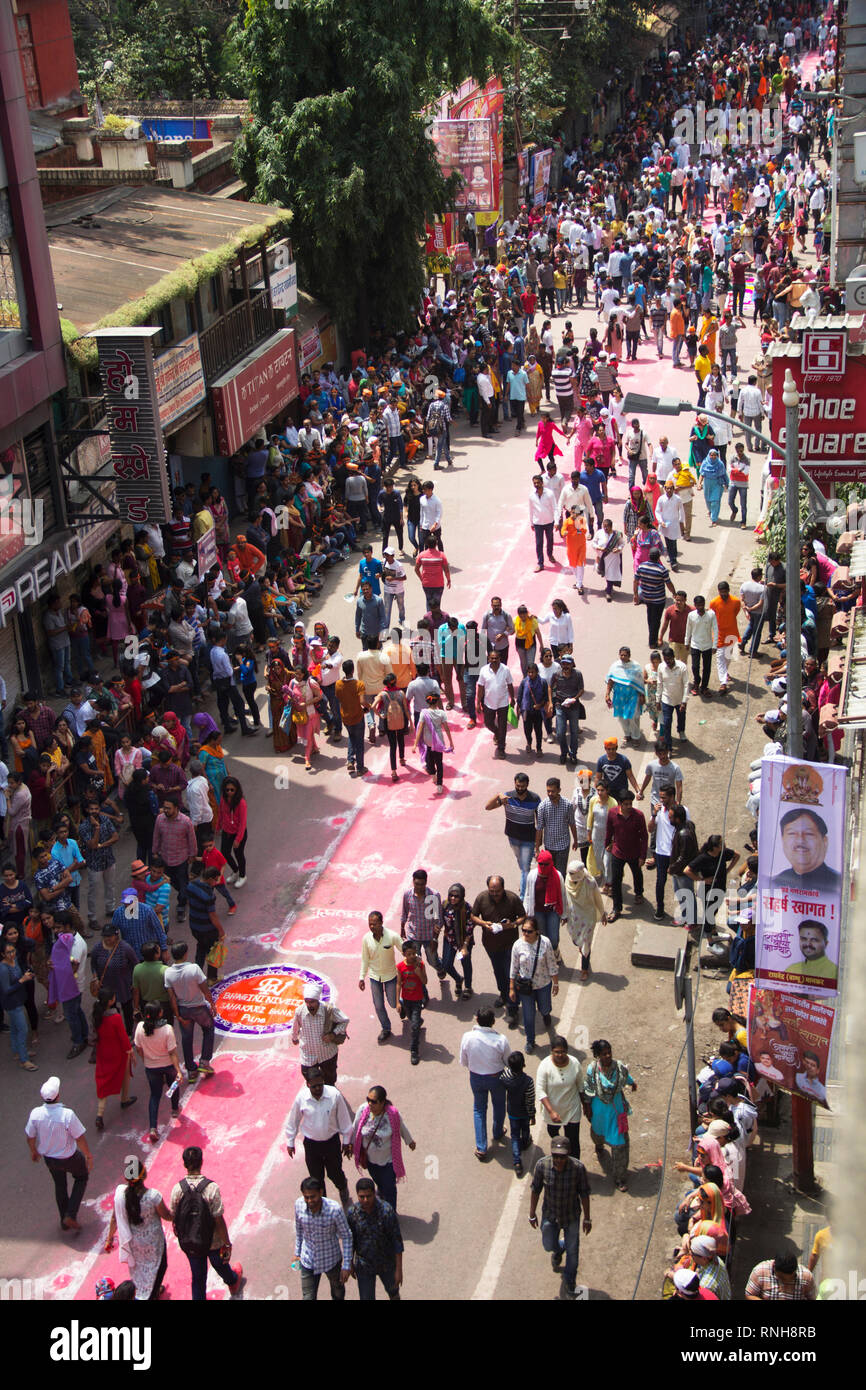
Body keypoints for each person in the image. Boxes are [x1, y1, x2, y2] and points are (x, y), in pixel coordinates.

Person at [170, 1145, 244, 1300]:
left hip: (191, 1242)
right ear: (201, 1162)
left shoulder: (177, 1189)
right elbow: (218, 1219)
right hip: (213, 1240)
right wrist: (227, 1243)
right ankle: (232, 1280)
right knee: (220, 1263)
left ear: (184, 1164)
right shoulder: (211, 1188)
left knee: (198, 1278)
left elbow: (174, 1215)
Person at [24, 1075, 93, 1232]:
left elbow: (30, 1136)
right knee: (81, 1178)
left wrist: (33, 1151)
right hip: (69, 1157)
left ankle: (64, 1220)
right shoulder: (67, 1114)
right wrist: (88, 1155)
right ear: (58, 1096)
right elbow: (80, 1138)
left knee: (60, 1185)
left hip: (50, 1159)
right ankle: (70, 1214)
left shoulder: (36, 1114)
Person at [529, 1136, 592, 1300]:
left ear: (568, 1154)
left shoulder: (578, 1169)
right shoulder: (542, 1166)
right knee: (548, 1244)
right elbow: (535, 1190)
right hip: (551, 1214)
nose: (558, 1160)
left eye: (562, 1156)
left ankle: (570, 1280)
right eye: (555, 1156)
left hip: (571, 1215)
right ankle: (558, 1249)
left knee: (573, 1251)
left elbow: (584, 1193)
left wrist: (587, 1218)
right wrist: (532, 1214)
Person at [104, 1155, 170, 1300]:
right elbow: (167, 1215)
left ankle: (147, 1291)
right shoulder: (153, 1196)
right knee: (159, 1267)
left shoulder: (121, 1194)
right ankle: (152, 1294)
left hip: (135, 1244)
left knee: (140, 1270)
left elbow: (115, 1218)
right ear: (144, 1174)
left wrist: (109, 1240)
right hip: (154, 1244)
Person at [285, 1068, 354, 1204]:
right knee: (316, 1178)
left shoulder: (334, 1095)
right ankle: (324, 1205)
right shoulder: (301, 1098)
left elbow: (344, 1119)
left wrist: (346, 1140)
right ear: (308, 1085)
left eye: (320, 1085)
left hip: (331, 1143)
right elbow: (294, 1120)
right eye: (314, 1086)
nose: (318, 1089)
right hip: (312, 1145)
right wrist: (290, 1141)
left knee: (335, 1173)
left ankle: (342, 1186)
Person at [350, 1085, 415, 1212]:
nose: (369, 1104)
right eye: (368, 1099)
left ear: (382, 1102)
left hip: (388, 1162)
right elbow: (355, 1127)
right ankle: (382, 1192)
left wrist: (410, 1141)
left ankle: (390, 1214)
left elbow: (401, 1127)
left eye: (373, 1101)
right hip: (370, 1161)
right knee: (379, 1183)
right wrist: (350, 1144)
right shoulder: (363, 1110)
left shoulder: (393, 1114)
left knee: (389, 1190)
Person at [459, 1006, 511, 1160]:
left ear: (476, 1020)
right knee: (499, 1104)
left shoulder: (467, 1037)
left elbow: (463, 1060)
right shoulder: (501, 1040)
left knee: (479, 1109)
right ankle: (497, 1132)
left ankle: (481, 1147)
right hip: (496, 1077)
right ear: (493, 1022)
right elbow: (508, 1061)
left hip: (476, 1077)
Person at [584, 1038, 636, 1191]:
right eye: (604, 1054)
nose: (608, 1056)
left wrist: (632, 1083)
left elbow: (626, 1077)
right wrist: (587, 1108)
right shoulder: (592, 1070)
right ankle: (599, 1145)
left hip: (616, 1112)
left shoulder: (619, 1068)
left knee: (620, 1144)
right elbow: (588, 1089)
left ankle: (620, 1178)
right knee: (598, 1134)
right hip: (599, 1112)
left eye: (609, 1052)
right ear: (598, 1055)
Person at [294, 1176, 353, 1301]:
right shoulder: (298, 1205)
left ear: (321, 1192)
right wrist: (297, 1253)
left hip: (331, 1261)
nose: (310, 1201)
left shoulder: (334, 1210)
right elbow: (299, 1230)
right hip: (308, 1261)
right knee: (308, 1297)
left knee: (338, 1294)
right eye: (306, 1197)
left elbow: (346, 1236)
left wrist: (347, 1265)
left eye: (313, 1196)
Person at [346, 1178, 404, 1301]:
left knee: (393, 1292)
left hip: (387, 1263)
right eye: (362, 1197)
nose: (365, 1200)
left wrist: (399, 1269)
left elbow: (397, 1241)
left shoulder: (386, 1210)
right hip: (364, 1266)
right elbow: (350, 1241)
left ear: (374, 1194)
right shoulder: (352, 1213)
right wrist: (349, 1263)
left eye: (369, 1196)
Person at [133, 1001, 184, 1143]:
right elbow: (172, 1052)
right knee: (173, 1087)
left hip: (151, 1067)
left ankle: (153, 1128)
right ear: (160, 1013)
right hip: (167, 1065)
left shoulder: (139, 1028)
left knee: (154, 1096)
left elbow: (138, 1048)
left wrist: (146, 1060)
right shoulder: (167, 1029)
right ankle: (174, 1109)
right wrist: (178, 1070)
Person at [165, 941, 216, 1080]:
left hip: (183, 1010)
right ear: (186, 954)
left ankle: (191, 1071)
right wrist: (212, 1004)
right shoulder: (194, 969)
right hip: (199, 1007)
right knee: (209, 1029)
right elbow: (205, 989)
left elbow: (172, 997)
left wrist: (177, 1015)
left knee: (186, 1039)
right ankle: (204, 1062)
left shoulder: (168, 973)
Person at [509, 915, 558, 1054]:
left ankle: (546, 1014)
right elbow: (514, 967)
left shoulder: (545, 943)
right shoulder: (518, 945)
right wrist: (511, 988)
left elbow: (552, 964)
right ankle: (530, 1040)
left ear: (537, 931)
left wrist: (555, 983)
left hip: (543, 985)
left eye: (529, 931)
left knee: (544, 1007)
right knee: (528, 1016)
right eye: (523, 930)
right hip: (526, 988)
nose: (525, 934)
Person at [485, 773, 540, 896]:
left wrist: (537, 845)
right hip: (513, 838)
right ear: (515, 784)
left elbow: (540, 823)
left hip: (528, 839)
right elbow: (488, 807)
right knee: (522, 865)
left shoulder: (535, 799)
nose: (520, 789)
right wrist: (498, 795)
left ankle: (523, 897)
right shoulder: (507, 798)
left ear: (527, 785)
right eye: (518, 786)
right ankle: (526, 882)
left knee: (525, 868)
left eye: (523, 786)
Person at [291, 979, 348, 1086]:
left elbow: (344, 1021)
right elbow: (295, 1026)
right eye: (306, 1002)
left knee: (330, 1081)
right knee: (310, 1080)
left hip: (327, 1053)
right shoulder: (299, 1011)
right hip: (308, 1054)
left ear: (317, 1000)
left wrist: (333, 1034)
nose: (309, 1005)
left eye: (312, 1002)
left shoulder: (329, 1010)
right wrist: (294, 1038)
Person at [772, 809, 842, 892]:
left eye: (809, 834)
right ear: (782, 840)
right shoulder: (775, 882)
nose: (800, 840)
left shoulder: (838, 885)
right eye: (792, 833)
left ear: (824, 841)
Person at [152, 798, 198, 922]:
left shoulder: (185, 821)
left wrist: (192, 855)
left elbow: (192, 840)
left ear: (176, 808)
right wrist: (155, 852)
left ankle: (181, 906)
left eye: (168, 808)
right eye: (164, 807)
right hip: (166, 859)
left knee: (183, 883)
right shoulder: (160, 819)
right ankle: (187, 895)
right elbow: (156, 836)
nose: (165, 810)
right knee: (172, 882)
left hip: (181, 859)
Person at [605, 790, 648, 921]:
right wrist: (607, 844)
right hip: (617, 852)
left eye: (631, 804)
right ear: (620, 804)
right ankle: (617, 908)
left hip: (634, 853)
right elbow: (609, 830)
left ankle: (639, 892)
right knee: (616, 881)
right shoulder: (612, 813)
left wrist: (642, 856)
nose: (629, 807)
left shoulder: (639, 816)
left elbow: (644, 837)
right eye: (626, 804)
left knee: (637, 873)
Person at [562, 859, 607, 980]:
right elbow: (565, 899)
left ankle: (584, 969)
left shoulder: (590, 882)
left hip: (587, 917)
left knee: (586, 944)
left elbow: (597, 897)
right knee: (577, 941)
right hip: (574, 917)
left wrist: (603, 913)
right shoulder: (567, 880)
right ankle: (581, 948)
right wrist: (564, 915)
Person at [0, 934, 36, 1069]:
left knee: (15, 1028)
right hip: (12, 1003)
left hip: (19, 999)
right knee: (23, 1029)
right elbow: (6, 990)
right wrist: (22, 980)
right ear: (3, 954)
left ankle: (17, 1052)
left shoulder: (14, 962)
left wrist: (26, 976)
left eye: (13, 951)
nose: (12, 954)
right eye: (8, 952)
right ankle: (24, 1059)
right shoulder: (3, 969)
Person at [500, 1050, 536, 1176]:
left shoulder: (505, 1077)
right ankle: (525, 1142)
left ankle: (517, 1162)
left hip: (512, 1112)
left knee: (514, 1136)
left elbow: (501, 1082)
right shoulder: (528, 1082)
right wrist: (532, 1115)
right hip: (525, 1113)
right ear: (523, 1065)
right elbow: (530, 1101)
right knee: (525, 1129)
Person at [413, 690, 453, 796]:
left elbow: (419, 729)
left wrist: (415, 744)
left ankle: (436, 779)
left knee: (432, 762)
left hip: (429, 742)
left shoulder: (424, 713)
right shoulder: (441, 713)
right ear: (437, 701)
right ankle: (437, 780)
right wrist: (451, 742)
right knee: (437, 763)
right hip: (438, 742)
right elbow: (447, 729)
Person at [477, 648, 515, 759]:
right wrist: (478, 701)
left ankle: (501, 748)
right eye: (492, 658)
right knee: (488, 723)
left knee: (503, 726)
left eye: (496, 658)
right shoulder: (483, 670)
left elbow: (510, 684)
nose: (494, 660)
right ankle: (497, 733)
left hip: (503, 703)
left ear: (500, 659)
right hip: (488, 703)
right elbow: (480, 686)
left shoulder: (505, 669)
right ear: (488, 659)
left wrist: (512, 698)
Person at [441, 882, 474, 1000]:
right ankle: (458, 979)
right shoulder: (444, 905)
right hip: (449, 940)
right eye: (451, 895)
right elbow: (439, 920)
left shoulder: (467, 908)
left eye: (456, 896)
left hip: (463, 941)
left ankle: (468, 987)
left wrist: (465, 946)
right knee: (446, 964)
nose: (453, 898)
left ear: (462, 897)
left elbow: (470, 928)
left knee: (465, 963)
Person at [605, 646, 645, 744]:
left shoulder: (635, 666)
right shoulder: (615, 666)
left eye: (625, 655)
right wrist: (607, 694)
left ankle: (636, 737)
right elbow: (610, 680)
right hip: (619, 697)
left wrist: (642, 696)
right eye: (621, 655)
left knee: (633, 717)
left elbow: (640, 682)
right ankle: (627, 734)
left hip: (632, 697)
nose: (623, 657)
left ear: (629, 656)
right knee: (621, 717)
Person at [746, 1251, 817, 1301]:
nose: (786, 1282)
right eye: (782, 1278)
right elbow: (750, 1295)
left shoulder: (807, 1277)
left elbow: (813, 1298)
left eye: (792, 1278)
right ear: (774, 1267)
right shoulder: (760, 1272)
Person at [685, 595, 718, 696]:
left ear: (704, 604)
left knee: (707, 668)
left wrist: (714, 645)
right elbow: (688, 629)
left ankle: (704, 687)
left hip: (707, 645)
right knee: (695, 667)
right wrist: (687, 642)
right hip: (695, 645)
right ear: (695, 605)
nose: (700, 607)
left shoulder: (711, 614)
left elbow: (716, 629)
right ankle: (696, 682)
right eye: (698, 605)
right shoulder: (691, 615)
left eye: (702, 605)